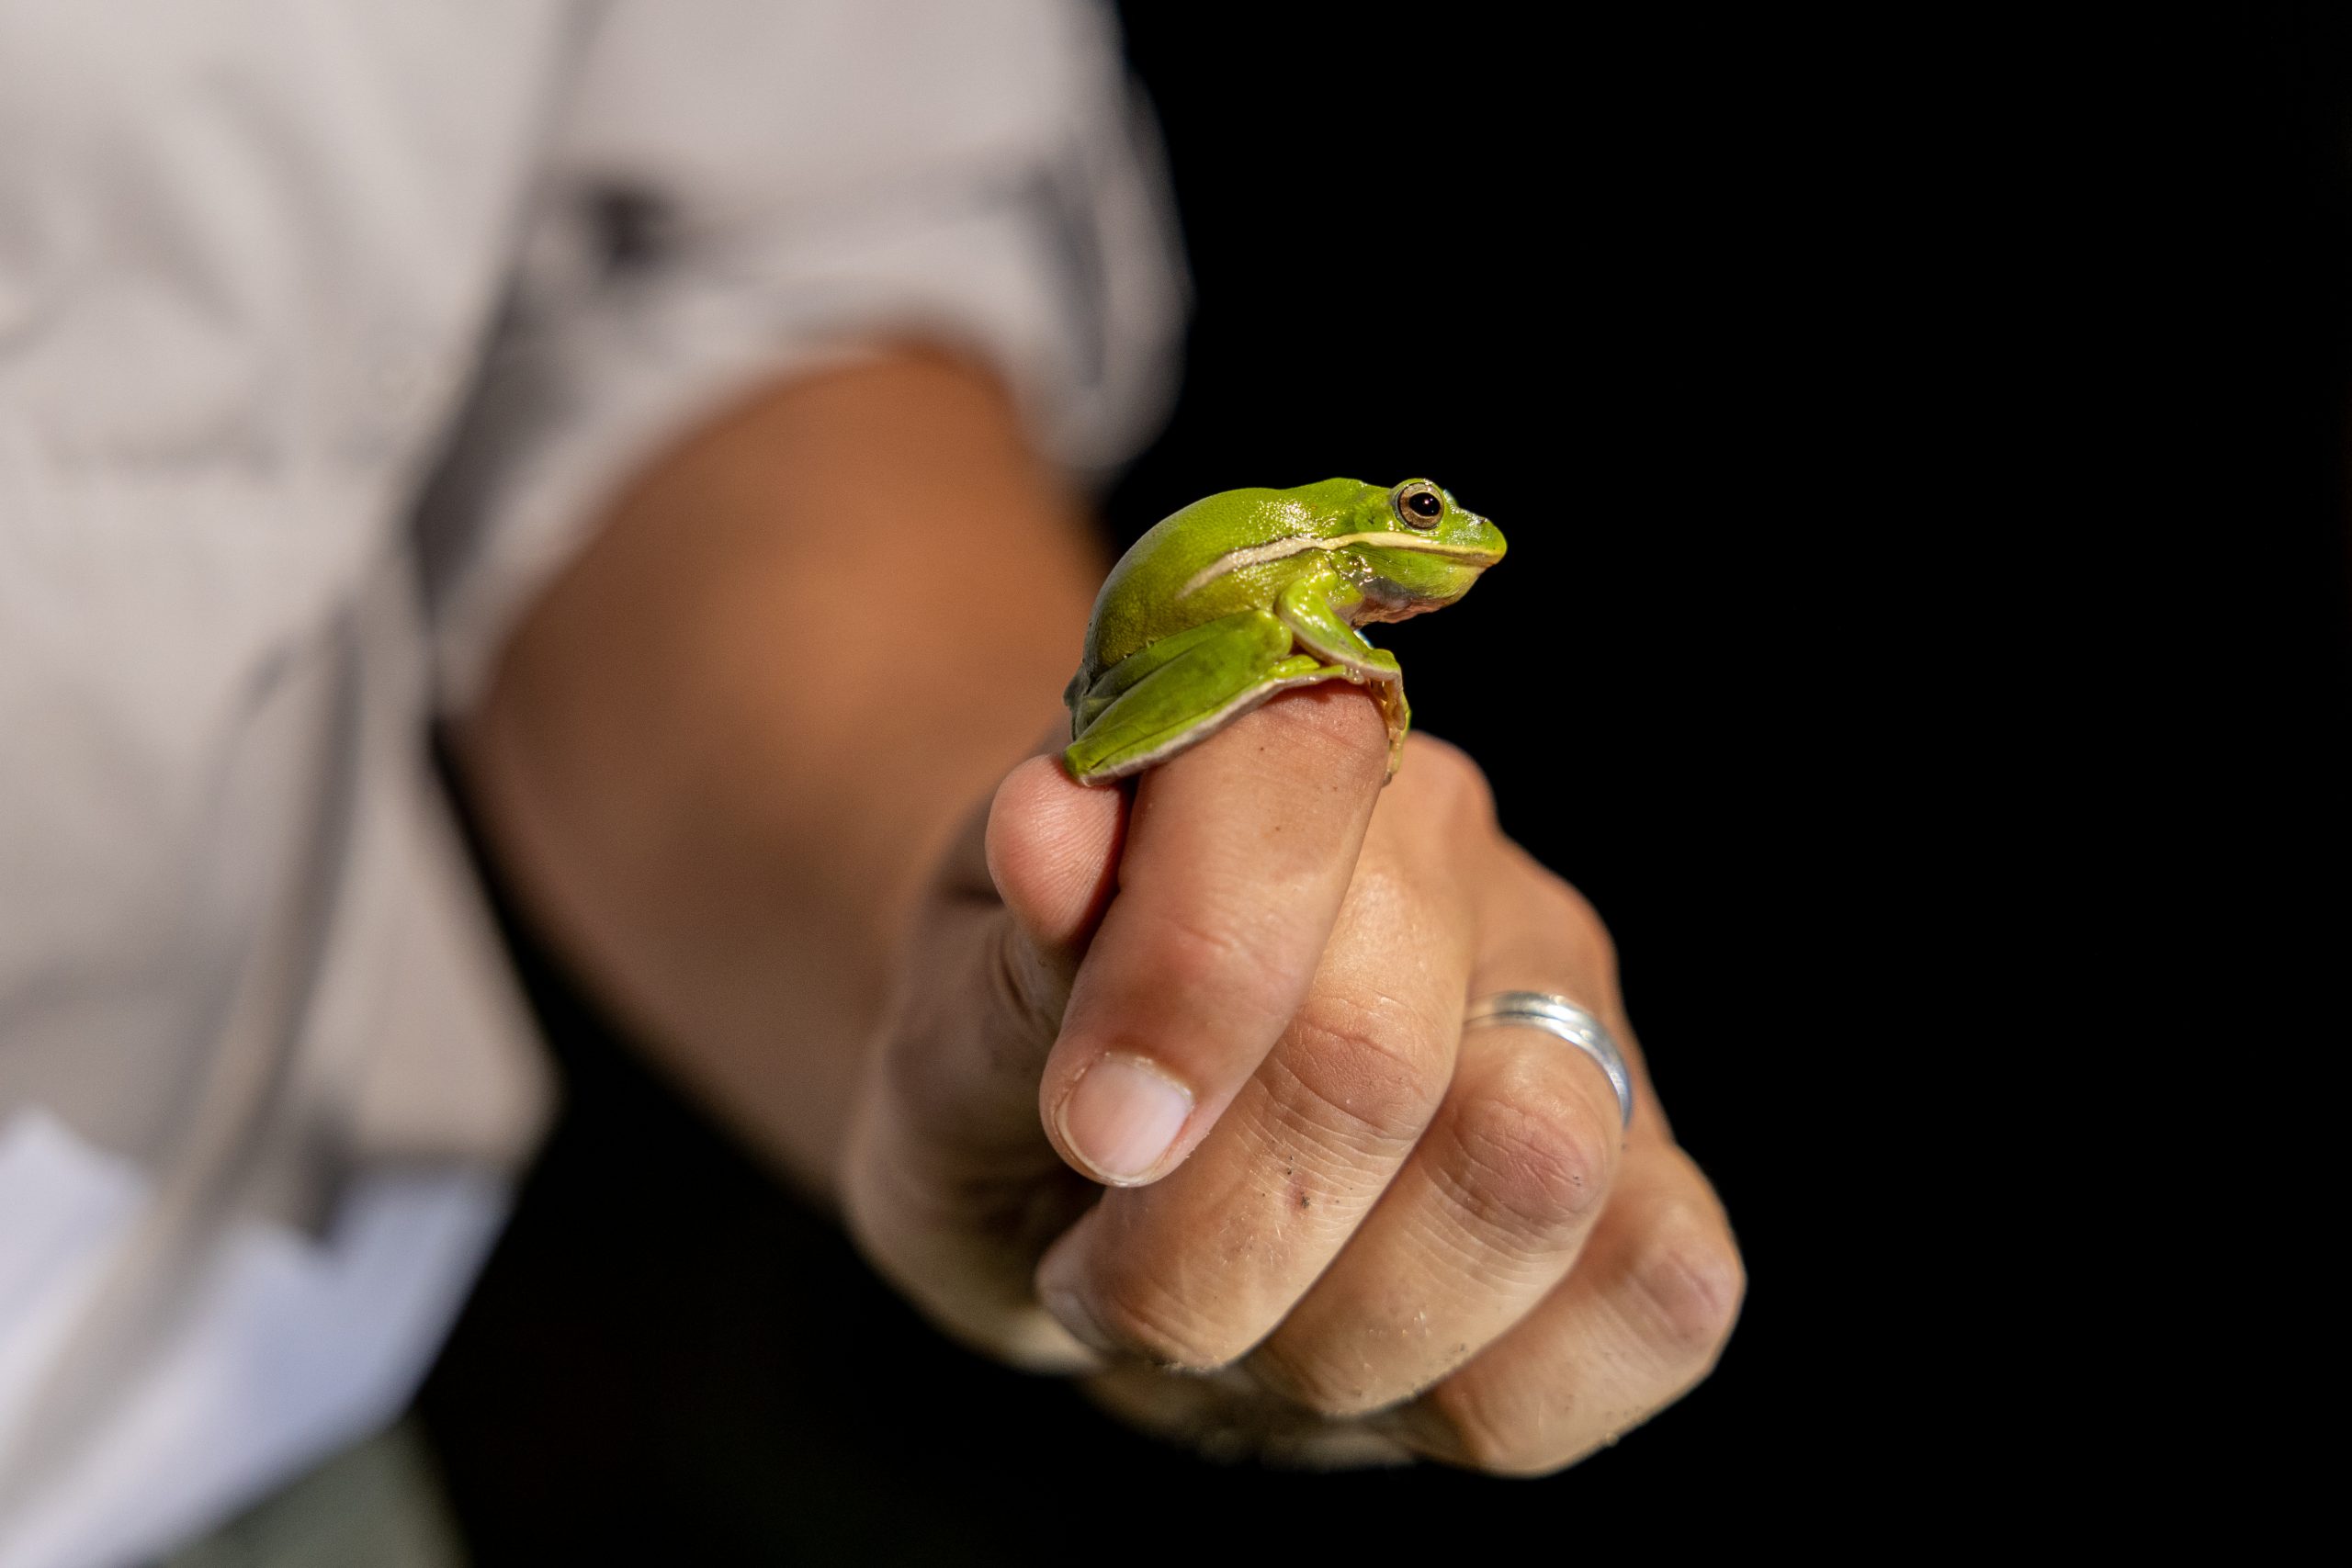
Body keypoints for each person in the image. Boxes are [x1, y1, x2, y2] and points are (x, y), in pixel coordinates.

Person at [0, 2, 1742, 1562]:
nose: (1446, 540)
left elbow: (717, 287)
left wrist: (1019, 964)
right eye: (1426, 517)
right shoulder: (1312, 562)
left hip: (172, 1406)